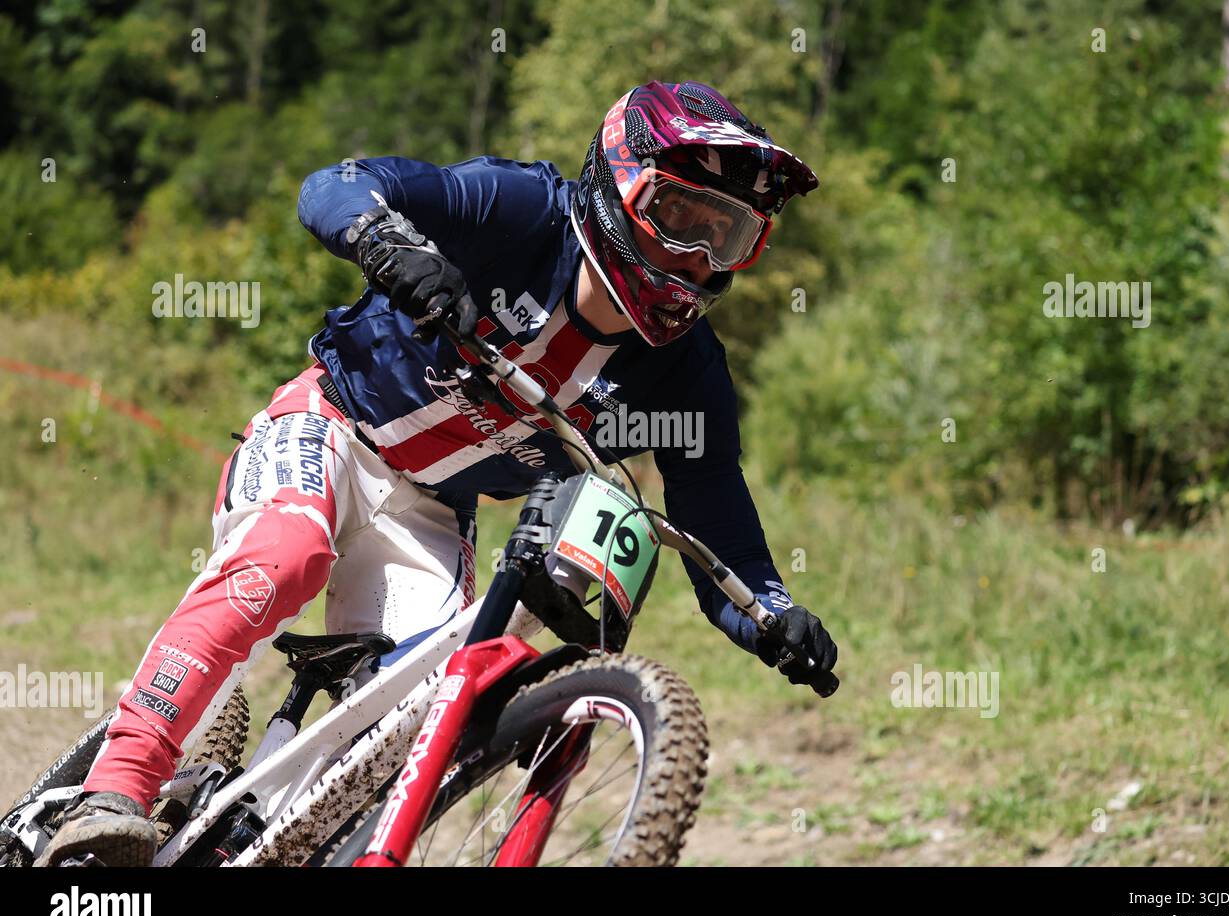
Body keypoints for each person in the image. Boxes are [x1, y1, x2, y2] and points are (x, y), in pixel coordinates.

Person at [39, 81, 839, 866]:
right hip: (334, 429)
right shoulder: (521, 210)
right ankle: (111, 795)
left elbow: (716, 519)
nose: (695, 259)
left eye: (726, 237)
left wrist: (771, 615)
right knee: (282, 560)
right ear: (618, 188)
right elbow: (339, 185)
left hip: (431, 511)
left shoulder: (686, 375)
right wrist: (385, 240)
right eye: (677, 218)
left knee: (414, 720)